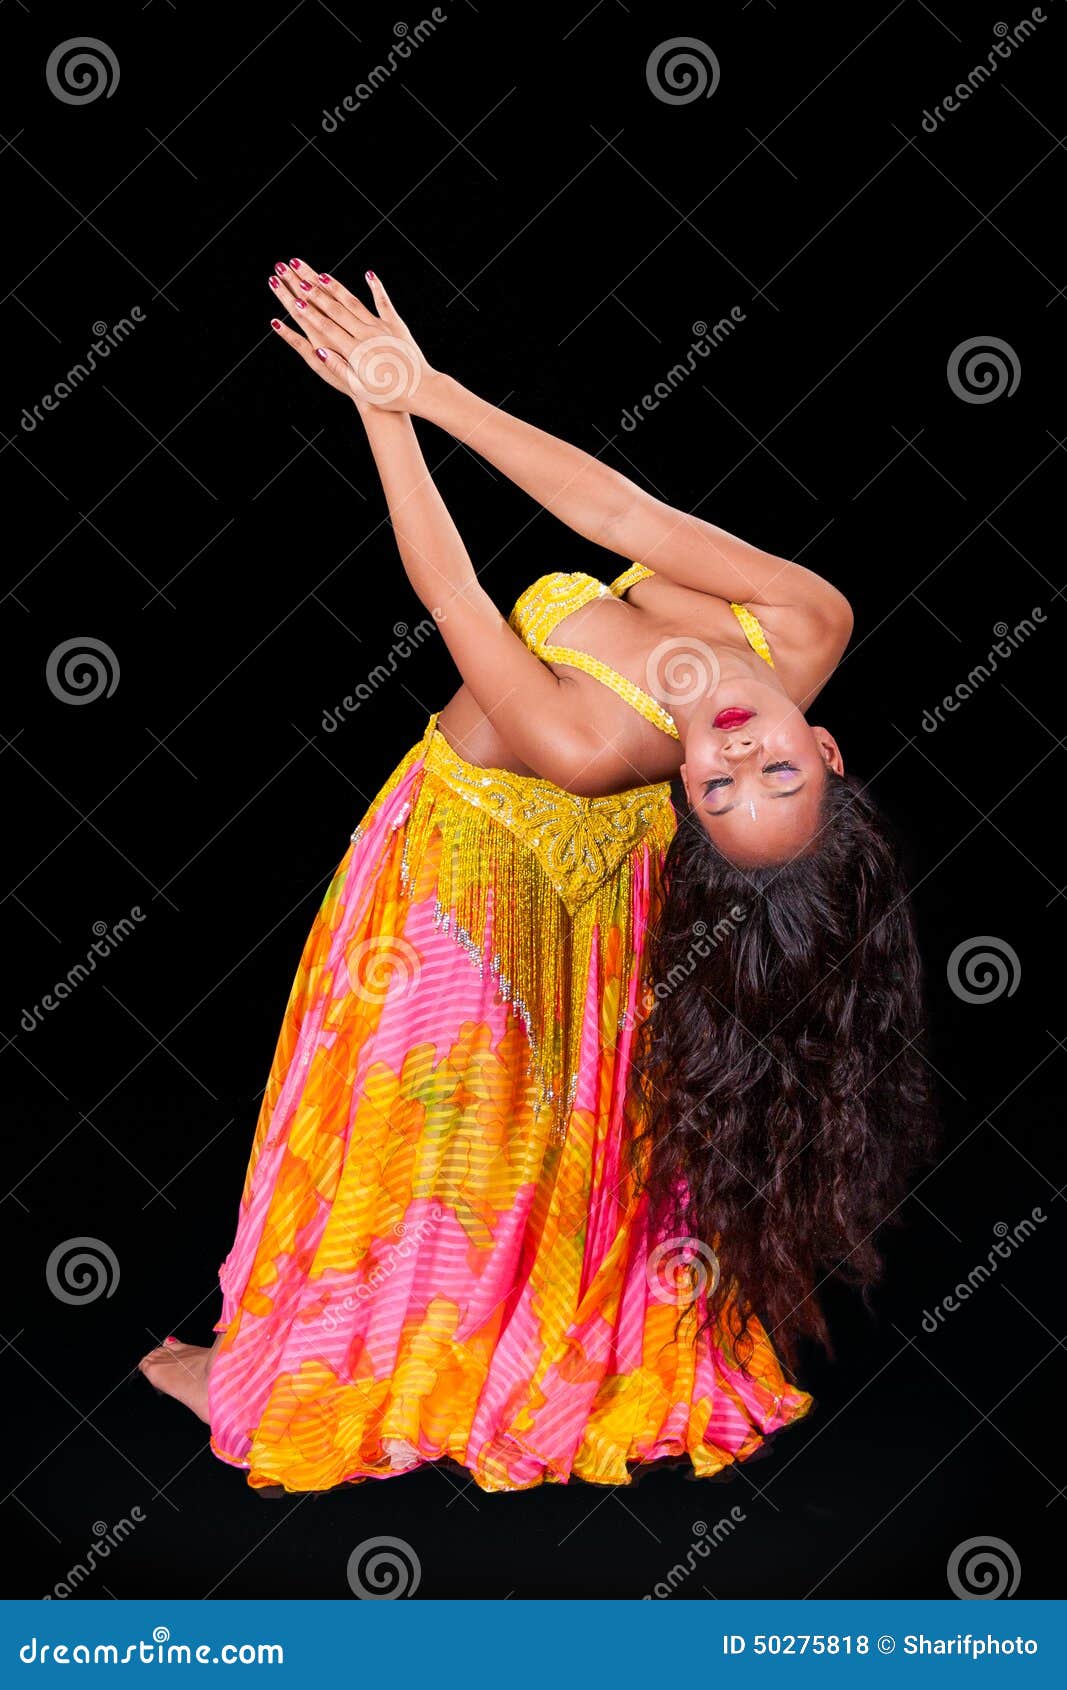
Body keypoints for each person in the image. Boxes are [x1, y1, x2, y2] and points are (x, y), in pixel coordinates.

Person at [139, 262, 933, 1493]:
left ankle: (289, 1370)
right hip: (576, 860)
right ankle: (323, 1348)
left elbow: (453, 593)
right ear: (824, 745)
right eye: (774, 770)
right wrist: (433, 385)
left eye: (718, 795)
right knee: (504, 1130)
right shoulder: (808, 622)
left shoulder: (590, 748)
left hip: (466, 863)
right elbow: (622, 514)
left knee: (433, 1137)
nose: (730, 757)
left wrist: (383, 415)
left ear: (685, 814)